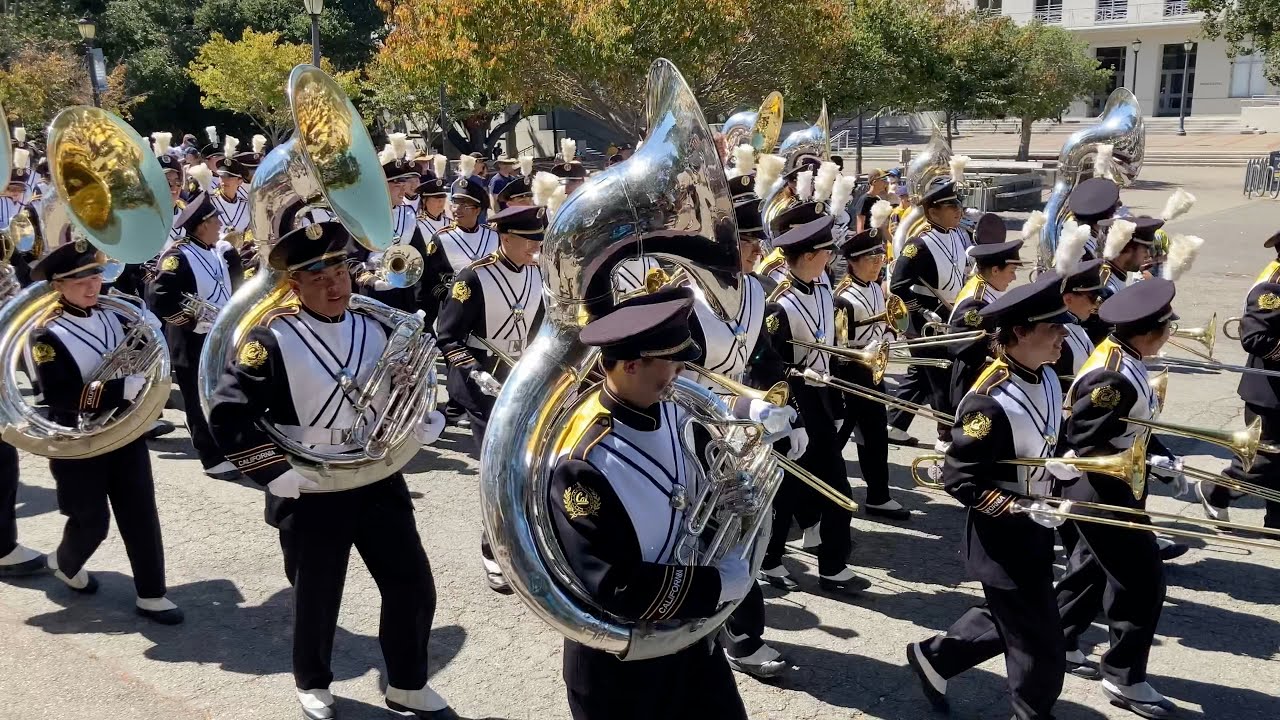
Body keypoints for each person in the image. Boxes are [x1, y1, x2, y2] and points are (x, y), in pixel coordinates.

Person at [207, 221, 449, 720]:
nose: (335, 284)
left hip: (377, 475)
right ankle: (312, 681)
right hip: (309, 481)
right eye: (318, 277)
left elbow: (401, 385)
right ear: (294, 285)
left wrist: (421, 418)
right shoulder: (268, 339)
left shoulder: (377, 324)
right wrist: (273, 473)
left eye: (340, 270)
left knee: (412, 585)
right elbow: (228, 414)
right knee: (317, 595)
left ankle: (407, 683)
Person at [548, 286, 752, 720]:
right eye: (672, 362)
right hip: (624, 665)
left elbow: (708, 495)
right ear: (630, 365)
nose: (682, 370)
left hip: (691, 642)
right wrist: (715, 586)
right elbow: (615, 587)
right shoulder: (583, 463)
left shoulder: (678, 413)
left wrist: (737, 500)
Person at [906, 271, 1072, 720]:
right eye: (1052, 328)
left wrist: (1061, 467)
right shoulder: (988, 401)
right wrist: (1020, 506)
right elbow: (961, 481)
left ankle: (936, 657)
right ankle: (1031, 712)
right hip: (1003, 537)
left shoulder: (1049, 377)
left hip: (1037, 526)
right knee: (1039, 643)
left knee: (1011, 618)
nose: (1063, 336)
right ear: (1020, 331)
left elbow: (1046, 438)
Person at [27, 233, 182, 624]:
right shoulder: (47, 334)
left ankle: (152, 593)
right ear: (58, 286)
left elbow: (138, 358)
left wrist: (151, 335)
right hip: (79, 438)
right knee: (91, 521)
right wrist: (115, 389)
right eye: (81, 282)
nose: (93, 286)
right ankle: (66, 561)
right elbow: (58, 393)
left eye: (95, 277)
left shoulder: (115, 314)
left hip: (124, 432)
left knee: (141, 513)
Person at [1054, 278, 1184, 718]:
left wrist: (1160, 455)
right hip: (1103, 489)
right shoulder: (1111, 373)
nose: (1169, 334)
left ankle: (1059, 640)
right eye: (1167, 327)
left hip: (1117, 484)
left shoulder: (1128, 358)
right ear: (1149, 331)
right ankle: (1124, 675)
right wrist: (1143, 463)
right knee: (1143, 582)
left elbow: (1132, 427)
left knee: (1089, 571)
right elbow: (1086, 439)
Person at [680, 200, 796, 679]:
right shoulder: (681, 300)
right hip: (687, 428)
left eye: (755, 241)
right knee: (703, 532)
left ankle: (740, 635)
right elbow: (673, 377)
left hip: (738, 426)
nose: (756, 250)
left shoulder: (756, 291)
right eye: (746, 243)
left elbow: (765, 362)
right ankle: (714, 627)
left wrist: (791, 413)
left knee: (742, 530)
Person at [436, 205, 546, 593]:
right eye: (529, 239)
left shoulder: (537, 275)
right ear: (507, 237)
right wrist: (474, 371)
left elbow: (539, 331)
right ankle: (492, 548)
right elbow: (447, 337)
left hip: (519, 381)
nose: (536, 246)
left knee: (530, 467)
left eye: (538, 238)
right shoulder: (474, 277)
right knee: (498, 469)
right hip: (481, 385)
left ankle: (527, 545)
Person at [761, 215, 863, 594]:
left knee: (837, 487)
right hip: (794, 401)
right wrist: (794, 413)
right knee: (783, 492)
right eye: (825, 251)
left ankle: (833, 566)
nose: (831, 257)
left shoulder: (823, 288)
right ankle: (769, 561)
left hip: (821, 398)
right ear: (806, 255)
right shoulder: (778, 304)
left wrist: (835, 406)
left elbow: (830, 350)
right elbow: (771, 366)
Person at [148, 193, 239, 480]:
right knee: (197, 396)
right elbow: (159, 298)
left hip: (219, 334)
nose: (220, 223)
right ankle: (210, 456)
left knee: (220, 392)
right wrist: (192, 321)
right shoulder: (177, 256)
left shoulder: (215, 251)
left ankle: (226, 445)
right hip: (192, 338)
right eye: (215, 220)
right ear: (201, 225)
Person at [1200, 229, 1280, 528]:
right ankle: (1215, 491)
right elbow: (1256, 337)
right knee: (1264, 459)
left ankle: (1276, 521)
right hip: (1269, 391)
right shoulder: (1272, 289)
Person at [833, 222, 912, 520]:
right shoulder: (843, 297)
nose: (878, 263)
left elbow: (884, 328)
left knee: (875, 437)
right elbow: (840, 347)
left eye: (880, 257)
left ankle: (879, 495)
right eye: (871, 259)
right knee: (835, 442)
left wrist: (891, 338)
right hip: (848, 377)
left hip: (873, 375)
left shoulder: (876, 289)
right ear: (853, 263)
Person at [888, 178, 973, 451]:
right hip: (927, 319)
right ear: (932, 212)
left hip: (950, 313)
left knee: (920, 373)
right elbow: (898, 284)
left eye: (958, 204)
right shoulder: (919, 245)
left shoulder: (959, 235)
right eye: (950, 206)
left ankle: (895, 424)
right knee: (940, 376)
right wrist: (921, 312)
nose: (957, 210)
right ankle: (944, 434)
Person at [945, 214, 1024, 419]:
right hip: (974, 379)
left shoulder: (988, 287)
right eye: (1012, 270)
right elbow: (967, 349)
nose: (1014, 277)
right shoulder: (977, 301)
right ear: (996, 270)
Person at [349, 146, 429, 316]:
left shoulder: (408, 214)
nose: (403, 190)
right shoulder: (364, 217)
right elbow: (350, 261)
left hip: (404, 292)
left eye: (404, 185)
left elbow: (420, 255)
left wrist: (420, 294)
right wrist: (371, 281)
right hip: (372, 293)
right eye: (397, 185)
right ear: (382, 187)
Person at [421, 174, 499, 328]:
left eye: (465, 206)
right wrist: (451, 297)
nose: (457, 210)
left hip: (490, 309)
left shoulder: (494, 235)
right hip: (455, 311)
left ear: (477, 210)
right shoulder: (441, 238)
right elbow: (430, 280)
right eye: (455, 204)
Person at [1055, 258, 1104, 385]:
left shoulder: (1076, 325)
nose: (1096, 304)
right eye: (1092, 298)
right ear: (1068, 299)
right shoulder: (1059, 339)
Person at [853, 168, 890, 233]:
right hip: (866, 240)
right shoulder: (864, 200)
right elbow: (860, 229)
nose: (886, 182)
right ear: (874, 182)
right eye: (883, 180)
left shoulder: (877, 199)